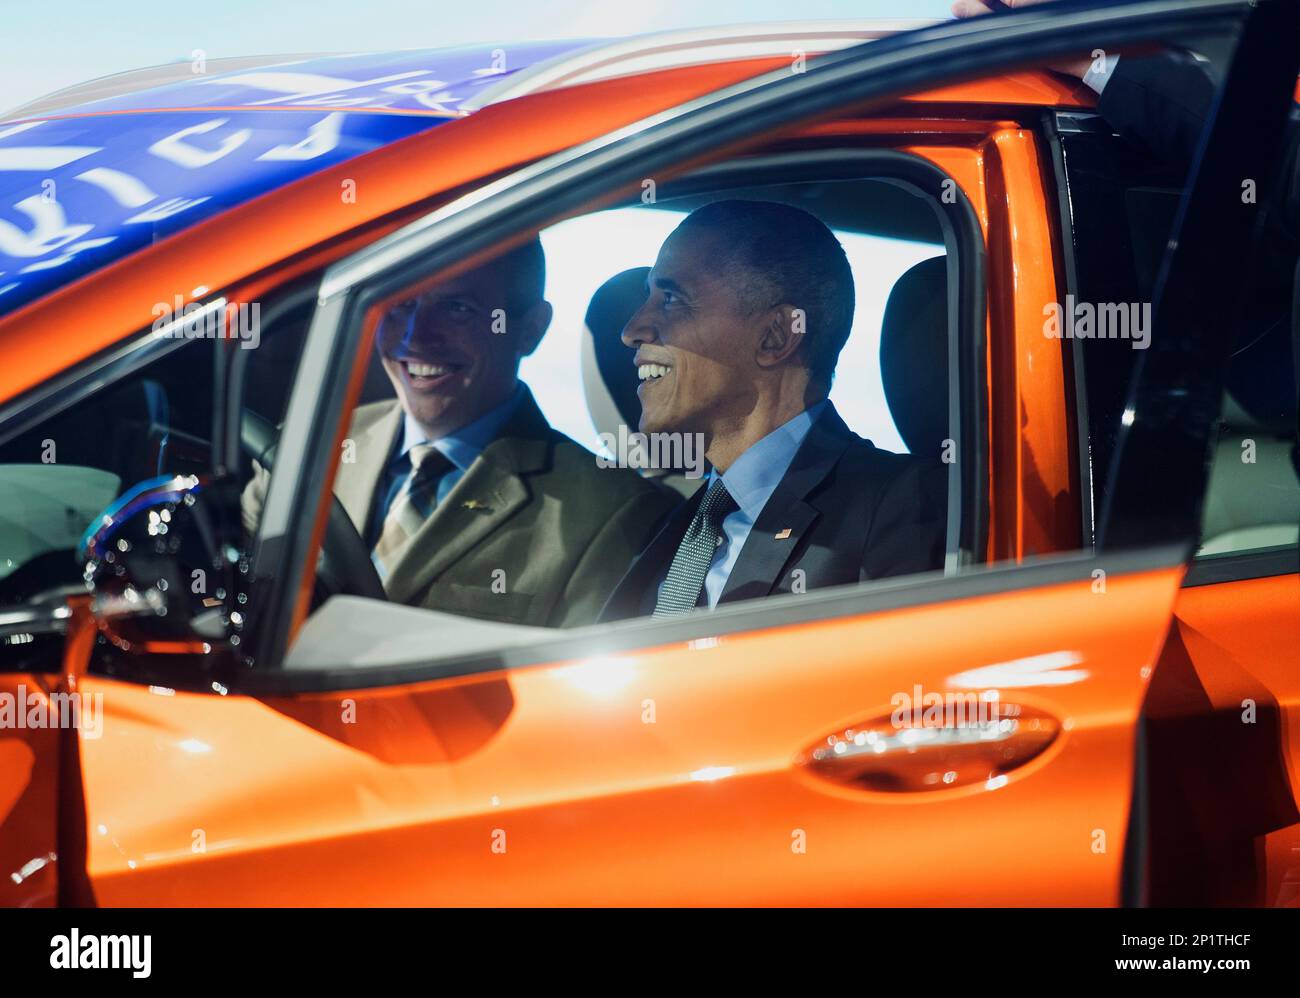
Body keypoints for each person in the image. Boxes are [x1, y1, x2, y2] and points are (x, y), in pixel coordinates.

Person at [244, 237, 680, 627]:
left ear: (530, 329)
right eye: (400, 304)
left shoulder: (611, 515)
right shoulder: (301, 445)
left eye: (457, 309)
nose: (416, 338)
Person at [599, 200, 947, 621]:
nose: (632, 329)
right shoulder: (674, 522)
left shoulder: (901, 507)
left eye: (671, 298)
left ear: (775, 337)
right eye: (648, 297)